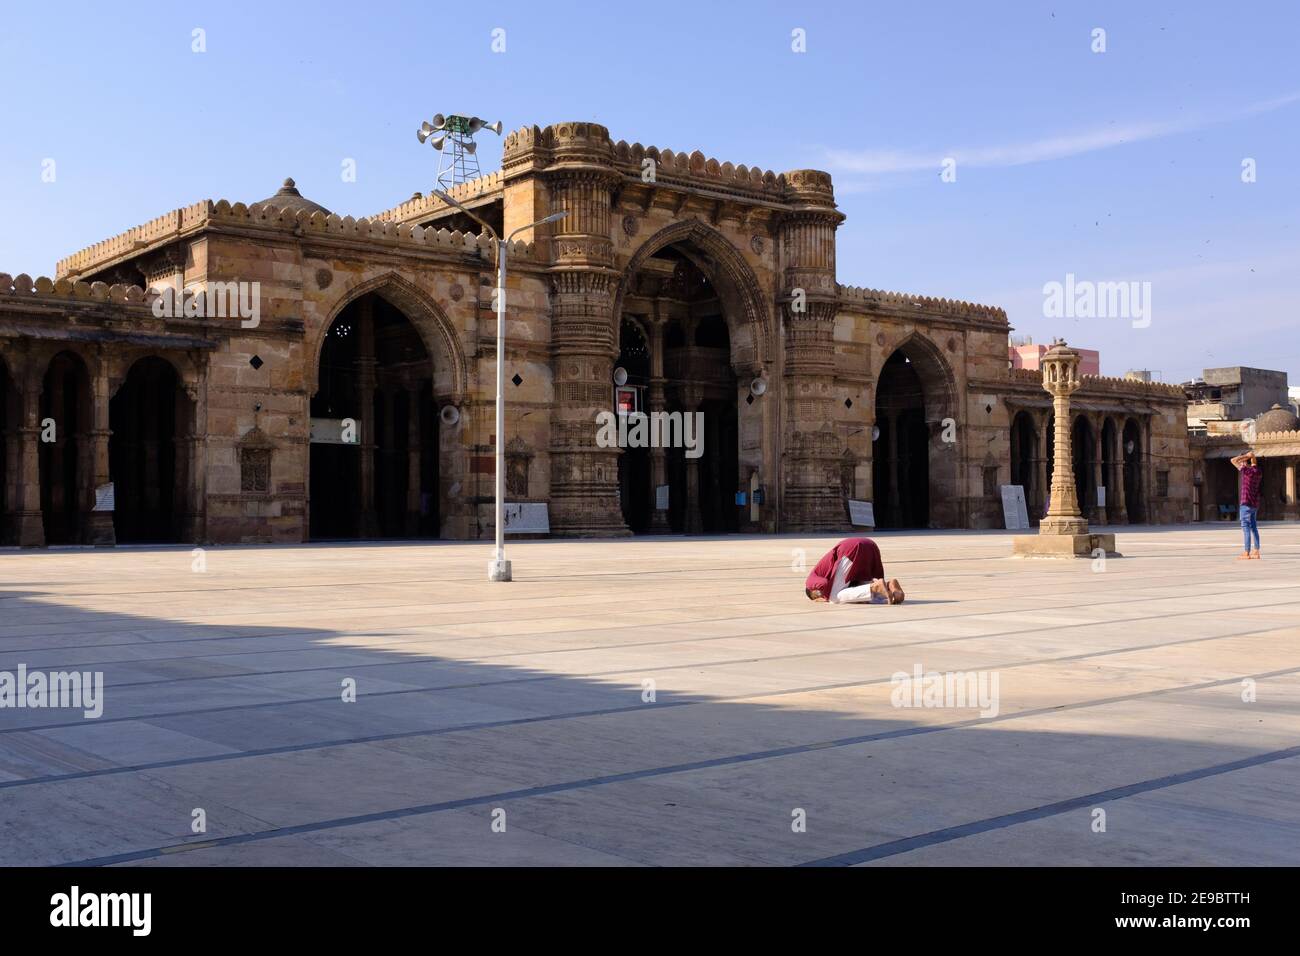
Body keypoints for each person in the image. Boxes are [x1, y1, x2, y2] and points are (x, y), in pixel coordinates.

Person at [805, 537, 905, 604]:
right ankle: (891, 588)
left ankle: (876, 586)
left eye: (817, 594)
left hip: (851, 550)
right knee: (862, 595)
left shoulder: (810, 581)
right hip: (869, 545)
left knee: (834, 598)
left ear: (812, 590)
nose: (820, 594)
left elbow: (824, 584)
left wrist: (825, 597)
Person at [1231, 451, 1262, 560]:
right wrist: (1251, 456)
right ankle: (1257, 551)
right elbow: (1254, 461)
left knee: (1245, 527)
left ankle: (1246, 552)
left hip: (1246, 503)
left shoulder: (1246, 471)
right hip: (1254, 504)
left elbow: (1232, 460)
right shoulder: (1256, 471)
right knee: (1254, 527)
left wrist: (1244, 457)